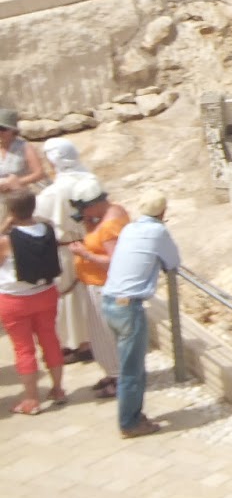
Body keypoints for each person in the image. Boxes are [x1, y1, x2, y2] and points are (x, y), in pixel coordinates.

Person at [100, 190, 180, 438]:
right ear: (163, 212)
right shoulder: (157, 231)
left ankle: (133, 414)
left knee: (129, 366)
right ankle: (130, 423)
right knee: (132, 371)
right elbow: (173, 262)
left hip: (109, 301)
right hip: (128, 307)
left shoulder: (129, 229)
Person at [0, 193, 67, 415]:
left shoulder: (6, 240)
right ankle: (58, 389)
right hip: (46, 294)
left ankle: (31, 399)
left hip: (14, 300)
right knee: (50, 340)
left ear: (11, 212)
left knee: (23, 349)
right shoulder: (47, 230)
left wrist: (4, 226)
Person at [65, 176, 129, 399]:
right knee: (100, 335)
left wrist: (85, 254)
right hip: (96, 284)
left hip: (104, 287)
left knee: (108, 335)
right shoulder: (109, 214)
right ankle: (112, 373)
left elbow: (114, 261)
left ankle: (119, 377)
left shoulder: (110, 226)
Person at [37, 139, 97, 366]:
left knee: (68, 297)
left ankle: (76, 344)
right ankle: (91, 341)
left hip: (65, 249)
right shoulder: (91, 180)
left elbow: (40, 219)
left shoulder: (52, 193)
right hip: (91, 244)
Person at [0, 108, 46, 195]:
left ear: (13, 130)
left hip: (20, 196)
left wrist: (17, 182)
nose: (0, 132)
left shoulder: (24, 147)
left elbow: (39, 173)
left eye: (3, 129)